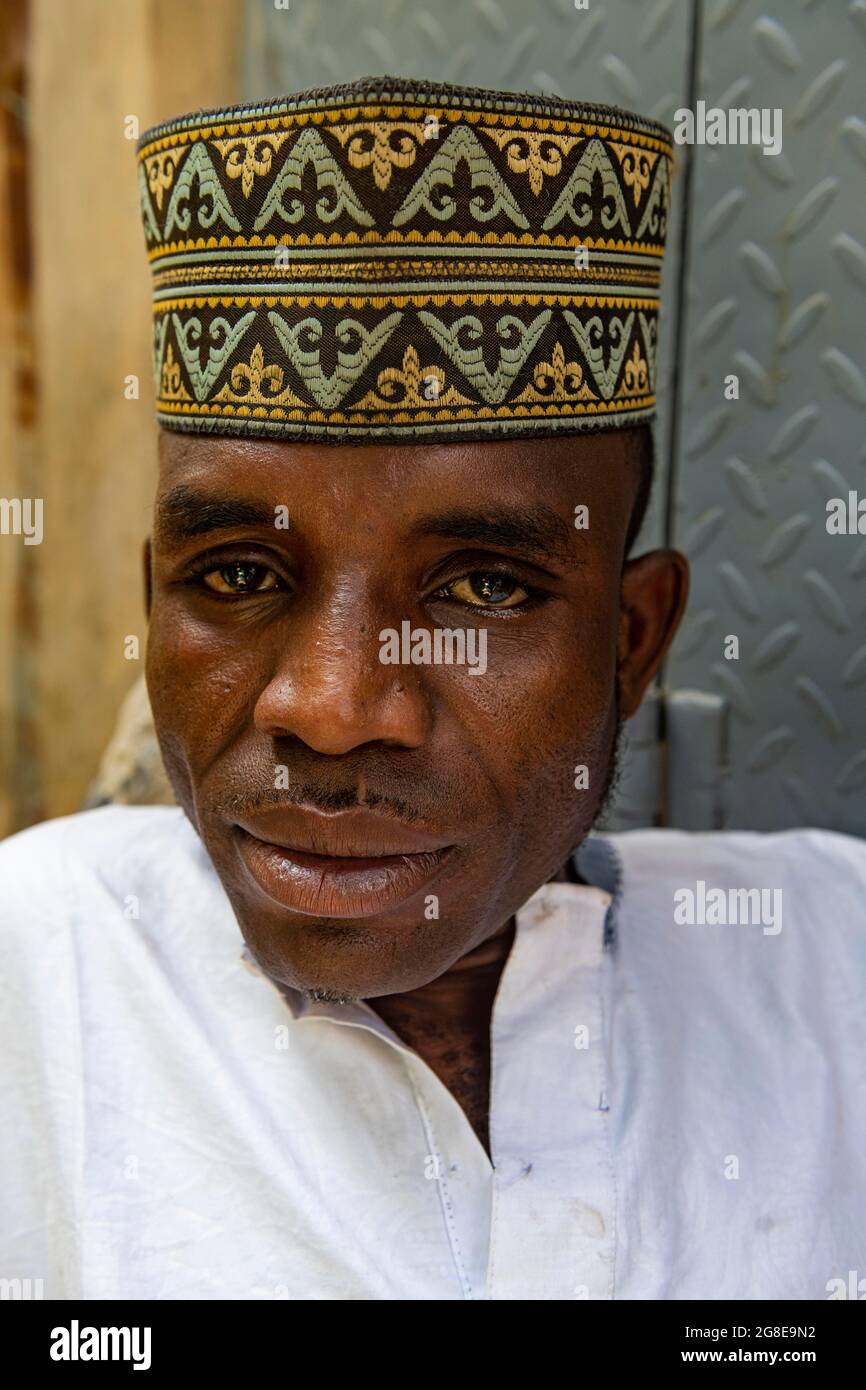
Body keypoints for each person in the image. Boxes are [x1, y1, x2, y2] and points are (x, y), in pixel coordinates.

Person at [1, 76, 864, 1301]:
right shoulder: (30, 971)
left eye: (480, 590)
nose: (334, 703)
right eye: (239, 572)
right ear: (155, 601)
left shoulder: (831, 964)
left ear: (631, 637)